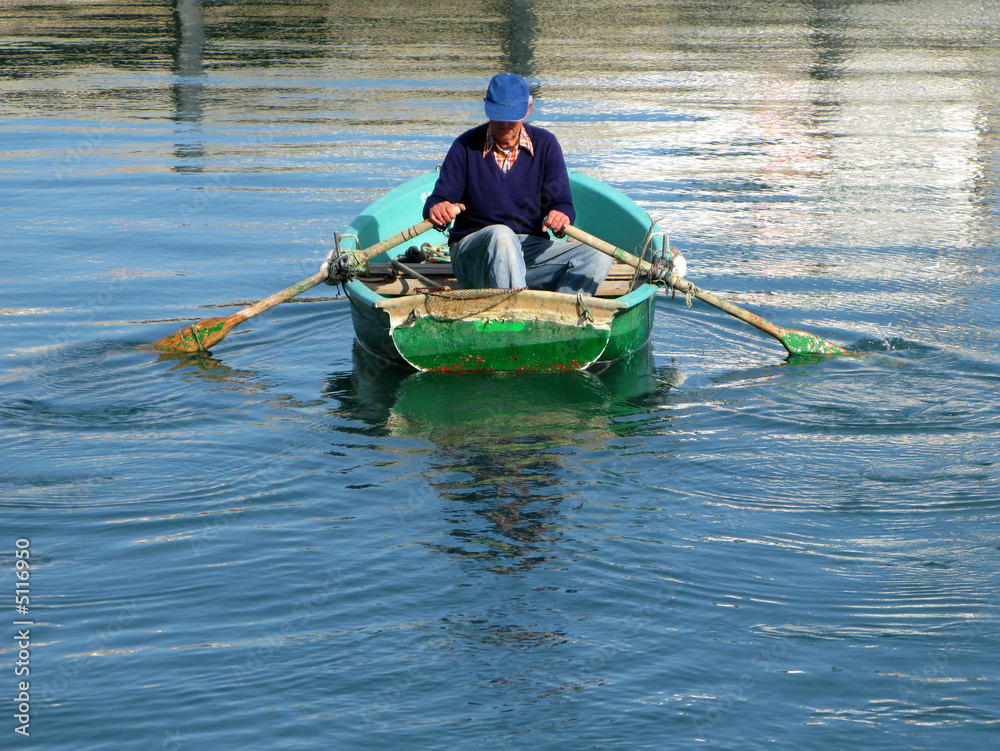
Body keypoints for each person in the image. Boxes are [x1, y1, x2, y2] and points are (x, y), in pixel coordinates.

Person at [423, 73, 612, 296]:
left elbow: (563, 204)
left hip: (527, 250)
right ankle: (513, 317)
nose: (504, 124)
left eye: (511, 118)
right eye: (497, 117)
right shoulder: (465, 146)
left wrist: (560, 215)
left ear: (528, 109)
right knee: (502, 236)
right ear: (486, 108)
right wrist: (437, 209)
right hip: (474, 256)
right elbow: (436, 201)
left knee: (598, 255)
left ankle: (559, 318)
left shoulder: (546, 145)